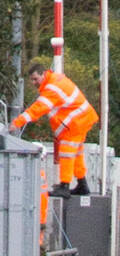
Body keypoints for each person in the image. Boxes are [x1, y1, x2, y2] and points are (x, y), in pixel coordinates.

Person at [10, 60, 98, 199]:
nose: (34, 83)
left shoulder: (52, 89)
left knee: (67, 153)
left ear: (43, 74)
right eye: (32, 80)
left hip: (76, 122)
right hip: (81, 119)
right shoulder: (54, 82)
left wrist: (18, 122)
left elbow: (39, 108)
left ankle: (65, 186)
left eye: (35, 79)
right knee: (76, 153)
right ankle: (82, 184)